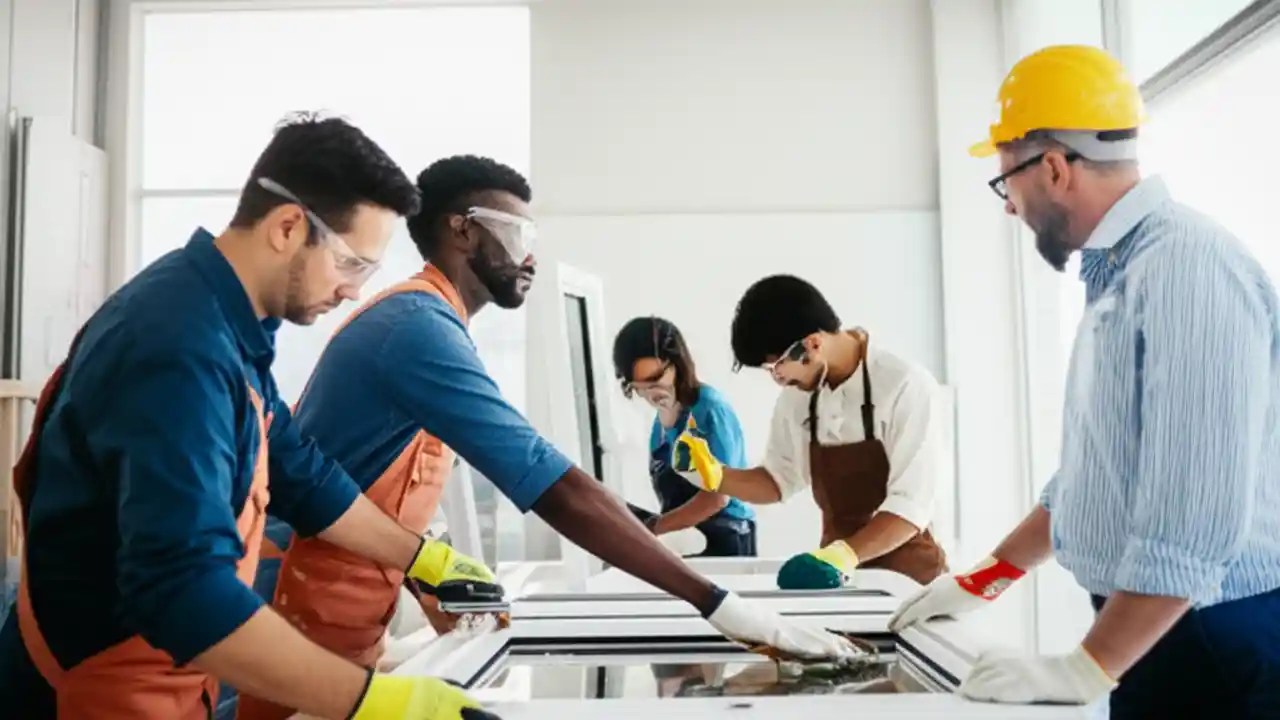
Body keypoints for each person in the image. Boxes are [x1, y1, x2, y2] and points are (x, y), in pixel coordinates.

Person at [235, 155, 859, 719]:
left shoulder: (429, 321)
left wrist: (432, 567)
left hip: (337, 614)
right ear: (463, 230)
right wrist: (721, 606)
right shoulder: (416, 327)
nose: (529, 256)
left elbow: (376, 472)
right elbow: (550, 482)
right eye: (517, 234)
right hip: (292, 615)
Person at [0, 114, 507, 720]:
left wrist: (422, 557)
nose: (353, 291)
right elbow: (181, 592)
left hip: (162, 682)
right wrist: (374, 701)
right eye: (351, 264)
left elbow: (298, 471)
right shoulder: (178, 349)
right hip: (91, 696)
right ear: (289, 227)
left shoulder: (222, 316)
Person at [888, 45, 1280, 718]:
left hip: (1215, 634)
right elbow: (1091, 479)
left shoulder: (1183, 268)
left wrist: (1088, 667)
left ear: (1054, 168)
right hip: (1158, 628)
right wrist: (985, 578)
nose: (1008, 206)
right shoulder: (1118, 277)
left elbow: (1192, 516)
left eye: (1004, 179)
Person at [673, 274, 948, 589]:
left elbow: (911, 503)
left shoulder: (904, 385)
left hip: (910, 583)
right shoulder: (799, 398)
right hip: (841, 578)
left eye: (775, 368)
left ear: (812, 344)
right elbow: (778, 481)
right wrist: (713, 474)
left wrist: (842, 556)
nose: (777, 380)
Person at [612, 316, 757, 557]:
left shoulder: (710, 410)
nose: (651, 394)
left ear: (677, 364)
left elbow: (717, 498)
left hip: (726, 536)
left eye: (655, 380)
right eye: (639, 388)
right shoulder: (662, 418)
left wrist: (653, 528)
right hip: (687, 534)